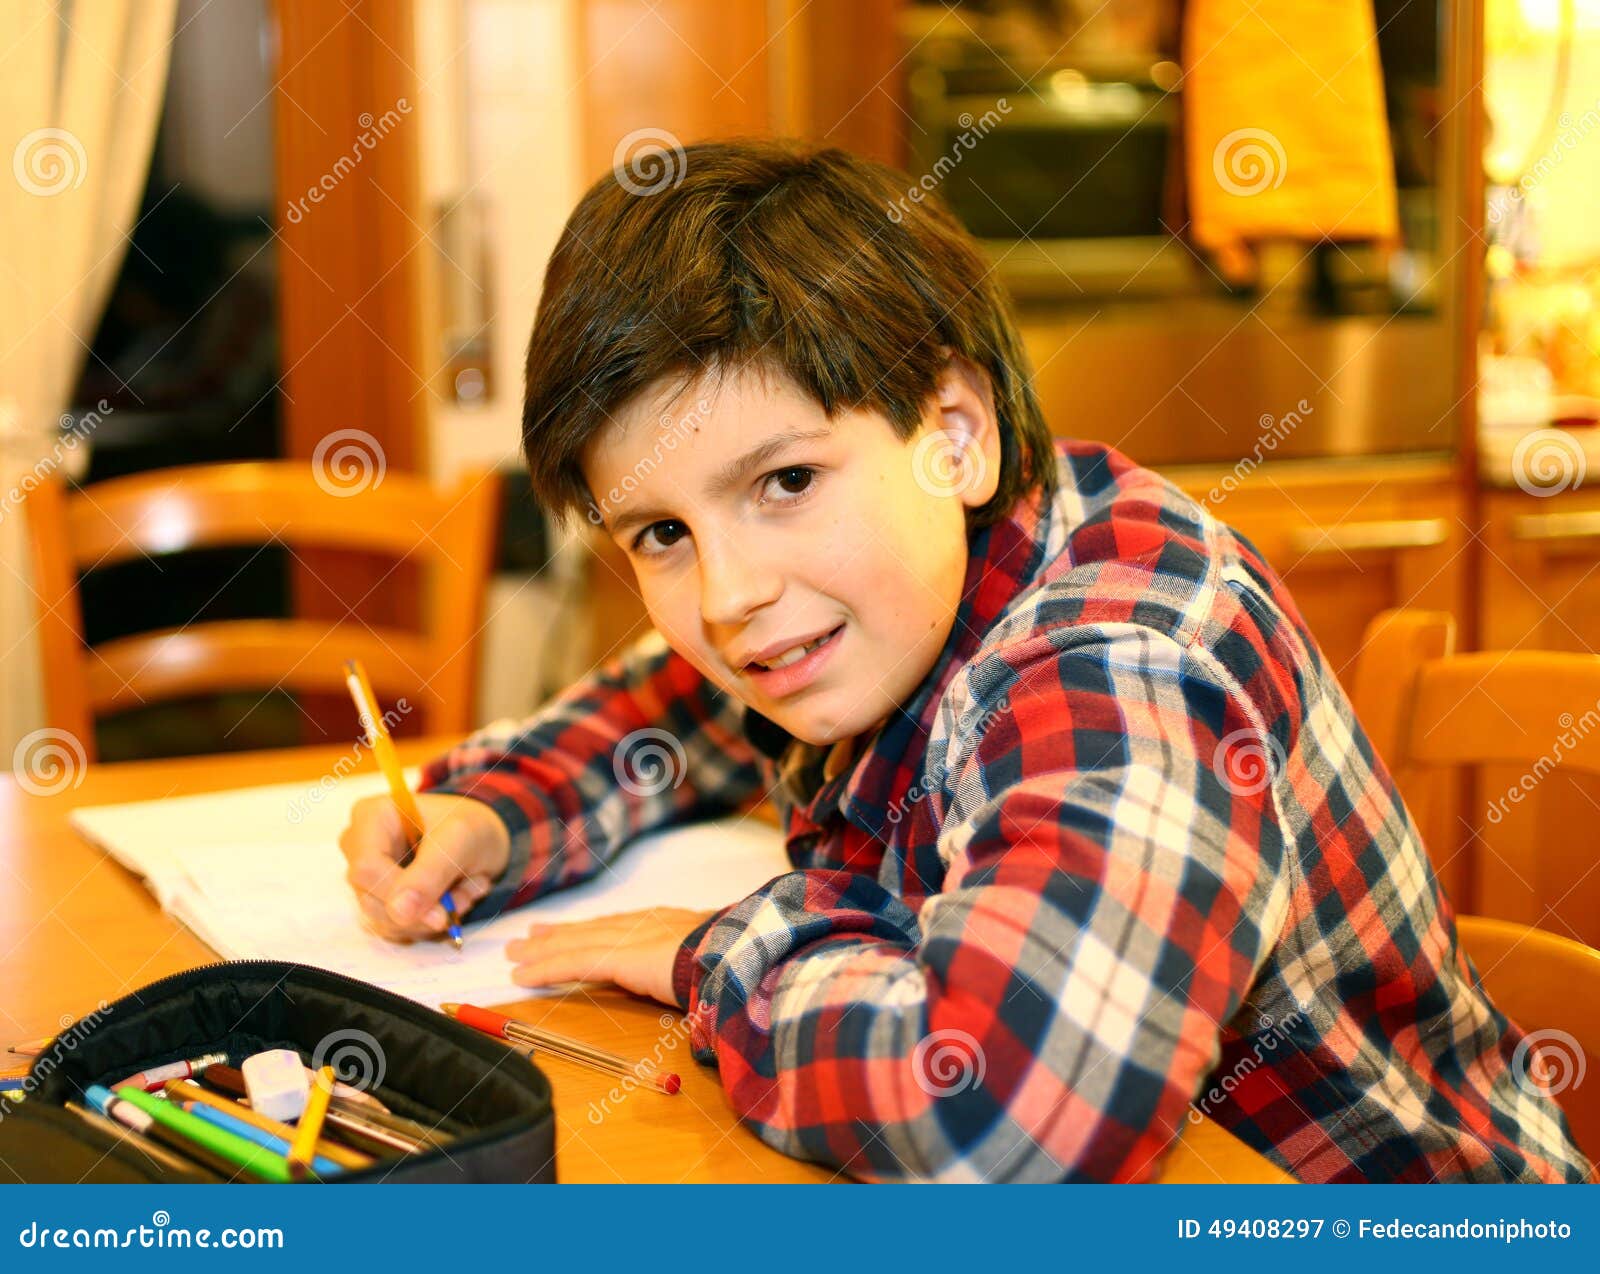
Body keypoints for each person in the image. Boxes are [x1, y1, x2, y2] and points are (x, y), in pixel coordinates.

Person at [339, 140, 1590, 1184]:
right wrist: (494, 812)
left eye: (783, 482)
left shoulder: (1117, 665)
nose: (729, 599)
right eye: (662, 532)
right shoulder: (877, 596)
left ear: (954, 435)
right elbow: (678, 701)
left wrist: (715, 952)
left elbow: (1007, 1120)